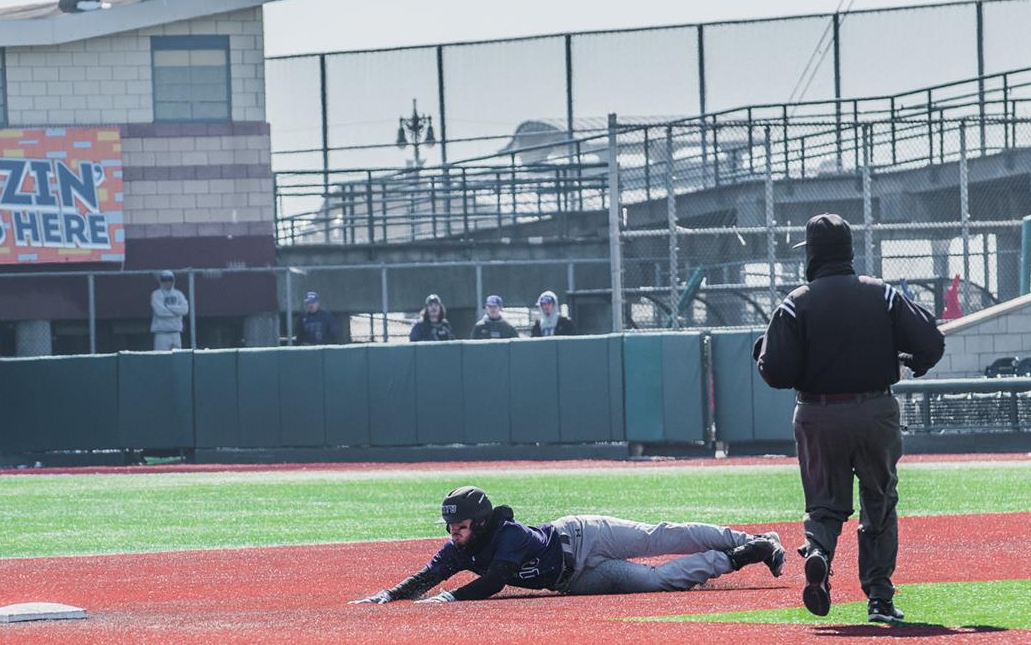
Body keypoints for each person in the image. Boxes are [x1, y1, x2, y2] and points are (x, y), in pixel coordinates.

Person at [754, 213, 945, 623]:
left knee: (823, 506)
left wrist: (763, 353)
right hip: (874, 410)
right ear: (849, 252)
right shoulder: (882, 294)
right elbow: (931, 341)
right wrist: (916, 361)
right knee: (878, 501)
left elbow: (775, 372)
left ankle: (819, 552)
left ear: (812, 255)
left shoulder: (796, 301)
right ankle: (879, 598)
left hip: (816, 414)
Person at [351, 486, 785, 604]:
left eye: (461, 527)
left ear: (480, 522)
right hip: (576, 579)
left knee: (660, 536)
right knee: (656, 582)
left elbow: (495, 581)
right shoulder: (460, 549)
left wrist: (448, 597)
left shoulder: (509, 535)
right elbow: (430, 574)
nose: (454, 536)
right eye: (451, 529)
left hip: (584, 534)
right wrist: (389, 595)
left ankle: (752, 538)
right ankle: (738, 558)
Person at [150, 270, 190, 351]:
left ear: (173, 281)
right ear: (161, 281)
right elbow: (160, 312)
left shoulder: (179, 294)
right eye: (164, 280)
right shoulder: (156, 294)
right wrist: (177, 312)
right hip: (161, 333)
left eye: (169, 279)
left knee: (177, 358)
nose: (167, 282)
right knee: (161, 359)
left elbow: (185, 310)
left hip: (176, 333)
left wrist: (168, 307)